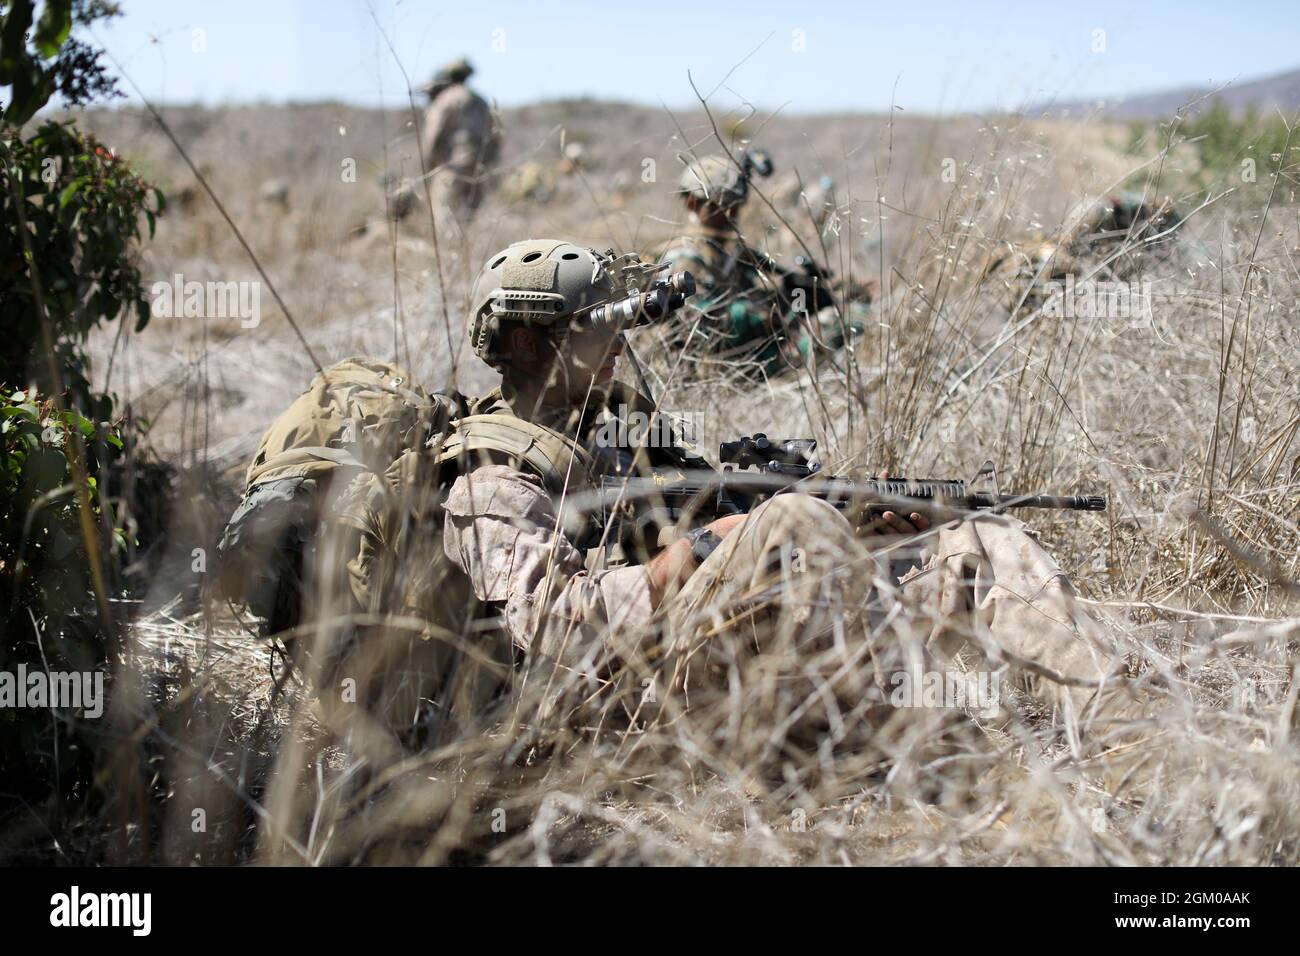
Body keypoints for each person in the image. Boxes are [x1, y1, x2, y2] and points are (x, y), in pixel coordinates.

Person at [354, 237, 1149, 755]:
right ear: (529, 342)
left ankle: (1125, 734)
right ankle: (920, 754)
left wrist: (855, 525)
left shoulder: (612, 431)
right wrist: (712, 548)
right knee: (795, 521)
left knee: (971, 540)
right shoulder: (489, 475)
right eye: (598, 327)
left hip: (702, 652)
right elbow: (552, 629)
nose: (620, 344)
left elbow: (706, 515)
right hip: (606, 714)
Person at [659, 154, 874, 375]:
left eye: (737, 204)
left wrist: (839, 289)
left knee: (857, 313)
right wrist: (762, 314)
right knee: (847, 324)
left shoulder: (728, 250)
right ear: (693, 203)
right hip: (724, 368)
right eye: (724, 204)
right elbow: (695, 324)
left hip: (755, 352)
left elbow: (778, 279)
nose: (733, 213)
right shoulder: (685, 258)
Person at [391, 57, 500, 228]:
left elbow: (432, 137)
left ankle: (450, 251)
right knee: (470, 217)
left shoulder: (445, 100)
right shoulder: (480, 101)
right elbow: (496, 135)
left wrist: (428, 168)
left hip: (452, 167)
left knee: (444, 214)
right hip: (480, 167)